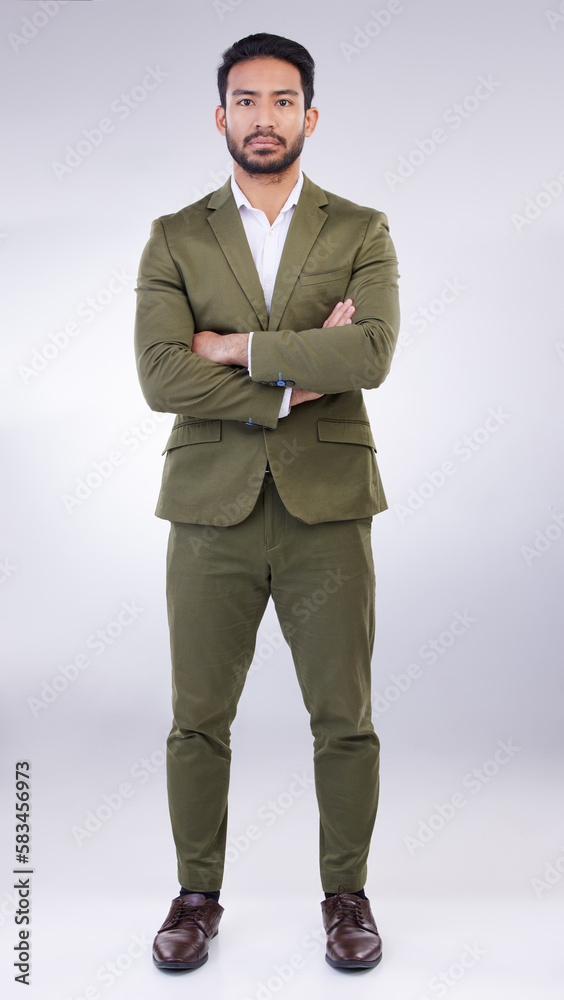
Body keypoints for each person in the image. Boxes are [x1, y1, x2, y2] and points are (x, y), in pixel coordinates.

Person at [134, 32, 400, 973]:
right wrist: (294, 374)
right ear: (221, 116)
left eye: (282, 101)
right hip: (209, 511)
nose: (263, 117)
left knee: (345, 716)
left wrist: (232, 348)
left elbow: (367, 356)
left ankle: (346, 895)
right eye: (245, 101)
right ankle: (196, 895)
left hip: (328, 508)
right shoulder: (174, 236)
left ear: (309, 116)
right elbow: (162, 376)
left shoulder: (360, 229)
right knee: (197, 716)